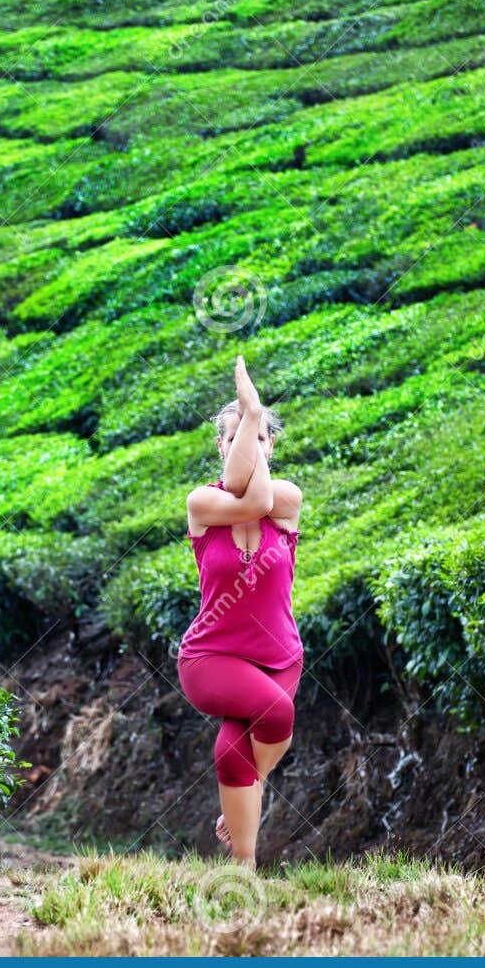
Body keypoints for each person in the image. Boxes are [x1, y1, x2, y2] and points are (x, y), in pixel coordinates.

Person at [177, 355, 303, 867]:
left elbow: (259, 497)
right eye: (233, 437)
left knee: (233, 755)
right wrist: (250, 414)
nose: (244, 444)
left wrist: (253, 419)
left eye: (255, 436)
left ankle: (242, 865)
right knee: (276, 713)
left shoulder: (287, 499)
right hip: (211, 658)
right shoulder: (202, 505)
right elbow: (241, 497)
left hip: (279, 658)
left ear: (271, 446)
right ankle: (248, 823)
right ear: (221, 446)